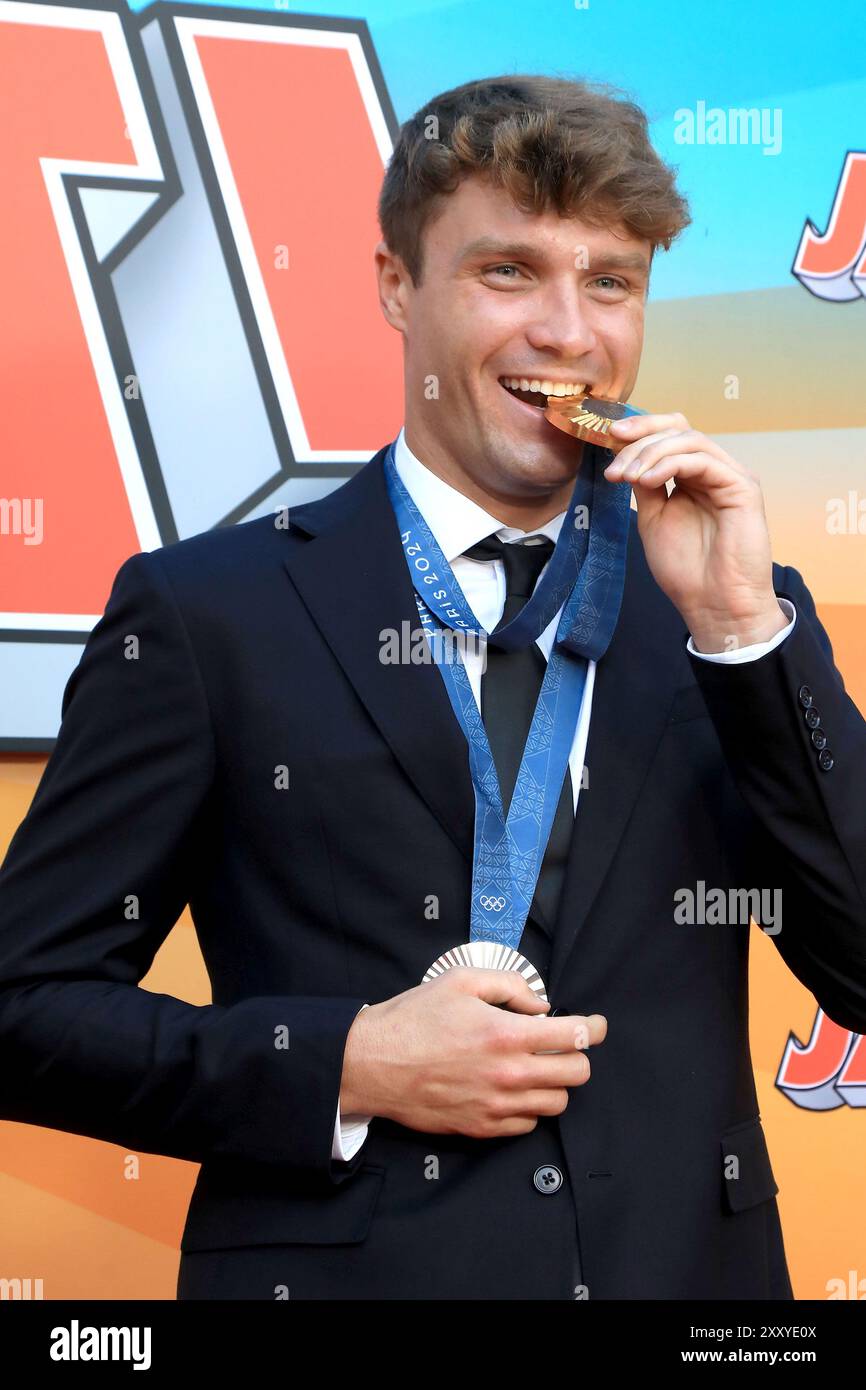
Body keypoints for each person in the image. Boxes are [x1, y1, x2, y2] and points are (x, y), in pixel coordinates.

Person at [1, 75, 864, 1302]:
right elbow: (20, 1006)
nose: (568, 331)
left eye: (609, 281)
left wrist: (738, 631)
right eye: (507, 271)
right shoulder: (207, 614)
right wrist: (342, 1062)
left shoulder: (729, 603)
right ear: (396, 287)